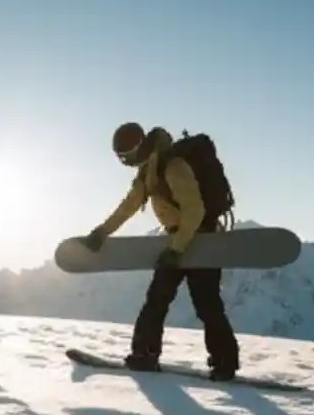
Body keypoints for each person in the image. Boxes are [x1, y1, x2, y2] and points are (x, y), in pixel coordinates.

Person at [83, 121, 240, 381]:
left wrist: (177, 249)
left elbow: (195, 210)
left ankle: (224, 363)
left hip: (200, 241)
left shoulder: (174, 166)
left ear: (137, 148)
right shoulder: (149, 172)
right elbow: (128, 206)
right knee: (160, 300)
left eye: (126, 156)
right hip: (178, 241)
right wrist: (102, 231)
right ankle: (145, 355)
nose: (126, 161)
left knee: (205, 304)